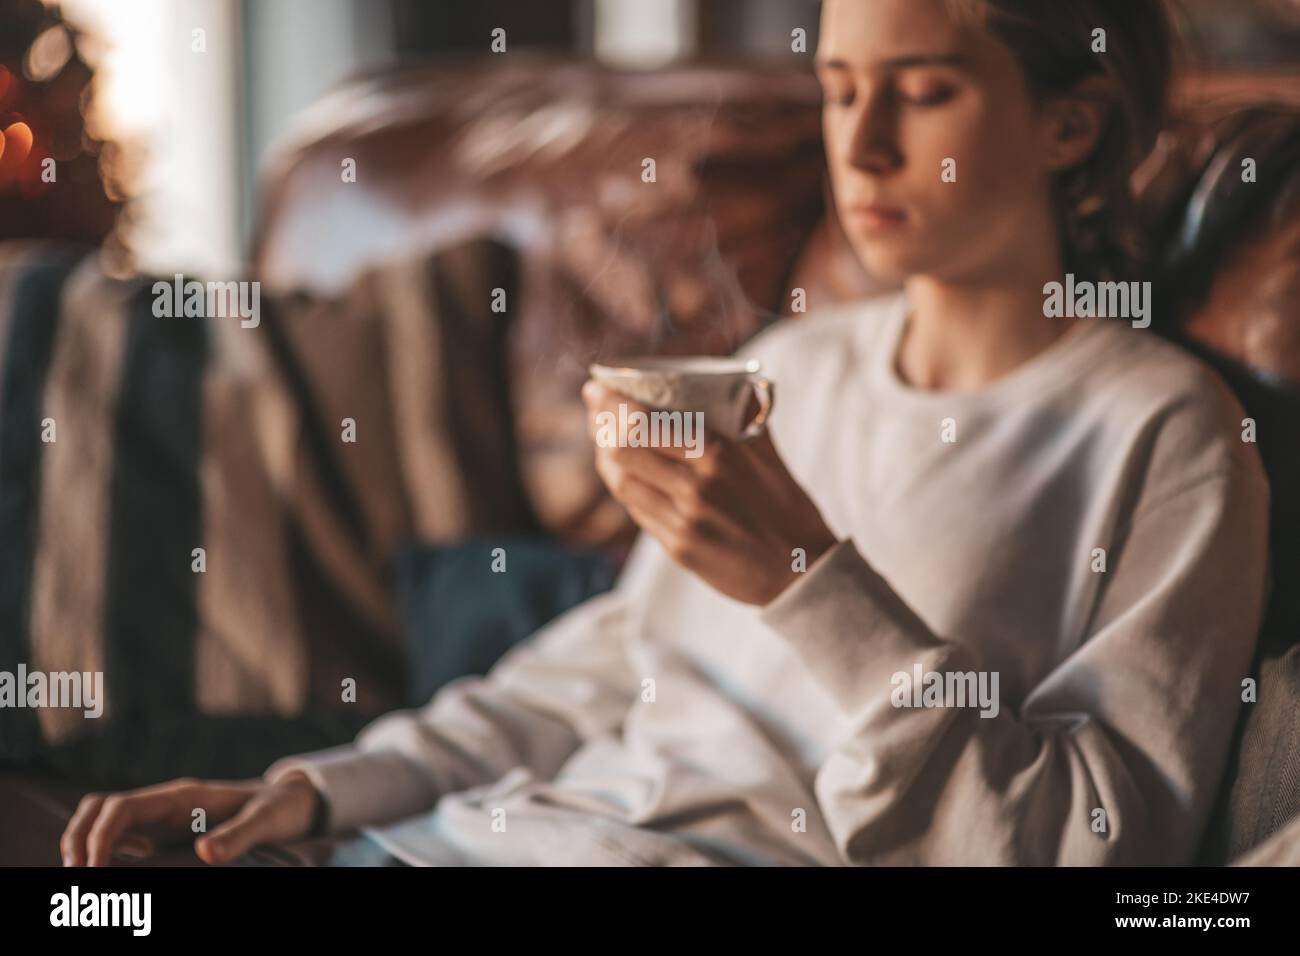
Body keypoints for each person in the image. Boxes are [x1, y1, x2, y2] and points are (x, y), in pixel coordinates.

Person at [60, 0, 1270, 867]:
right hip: (471, 835)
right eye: (842, 89)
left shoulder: (1163, 431)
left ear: (1069, 124)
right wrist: (313, 790)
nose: (862, 147)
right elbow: (607, 659)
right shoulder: (790, 364)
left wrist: (806, 579)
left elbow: (1092, 841)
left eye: (926, 88)